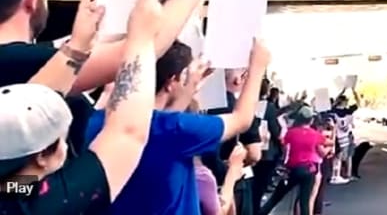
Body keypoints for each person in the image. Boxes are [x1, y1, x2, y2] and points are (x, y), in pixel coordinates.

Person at [0, 0, 224, 153]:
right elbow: (138, 51)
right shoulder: (21, 60)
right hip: (56, 187)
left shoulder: (24, 57)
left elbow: (126, 34)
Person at [0, 0, 162, 215]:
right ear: (43, 156)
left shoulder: (13, 186)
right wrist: (142, 39)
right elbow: (127, 133)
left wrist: (77, 48)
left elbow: (33, 103)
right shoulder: (45, 203)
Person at [82, 38, 271, 215]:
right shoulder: (177, 130)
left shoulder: (96, 122)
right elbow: (242, 119)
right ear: (172, 81)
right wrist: (257, 68)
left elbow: (161, 119)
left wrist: (188, 86)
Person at [200, 69, 262, 215]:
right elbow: (254, 154)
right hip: (230, 183)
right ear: (238, 80)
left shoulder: (192, 104)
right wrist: (236, 163)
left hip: (194, 183)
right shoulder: (241, 110)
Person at [262, 109, 325, 215]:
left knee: (276, 196)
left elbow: (285, 148)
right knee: (304, 201)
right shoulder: (315, 135)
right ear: (311, 120)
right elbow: (323, 149)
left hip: (293, 168)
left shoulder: (291, 133)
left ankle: (262, 213)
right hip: (309, 169)